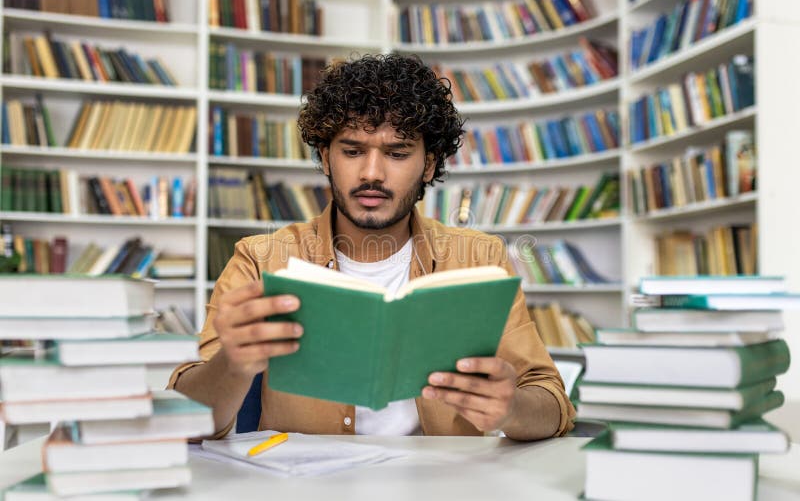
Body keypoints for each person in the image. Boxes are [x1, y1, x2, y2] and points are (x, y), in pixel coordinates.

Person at [170, 54, 575, 440]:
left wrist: (511, 409)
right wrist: (233, 364)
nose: (371, 173)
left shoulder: (479, 259)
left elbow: (553, 404)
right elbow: (190, 423)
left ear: (429, 165)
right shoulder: (260, 260)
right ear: (325, 157)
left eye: (397, 153)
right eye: (352, 151)